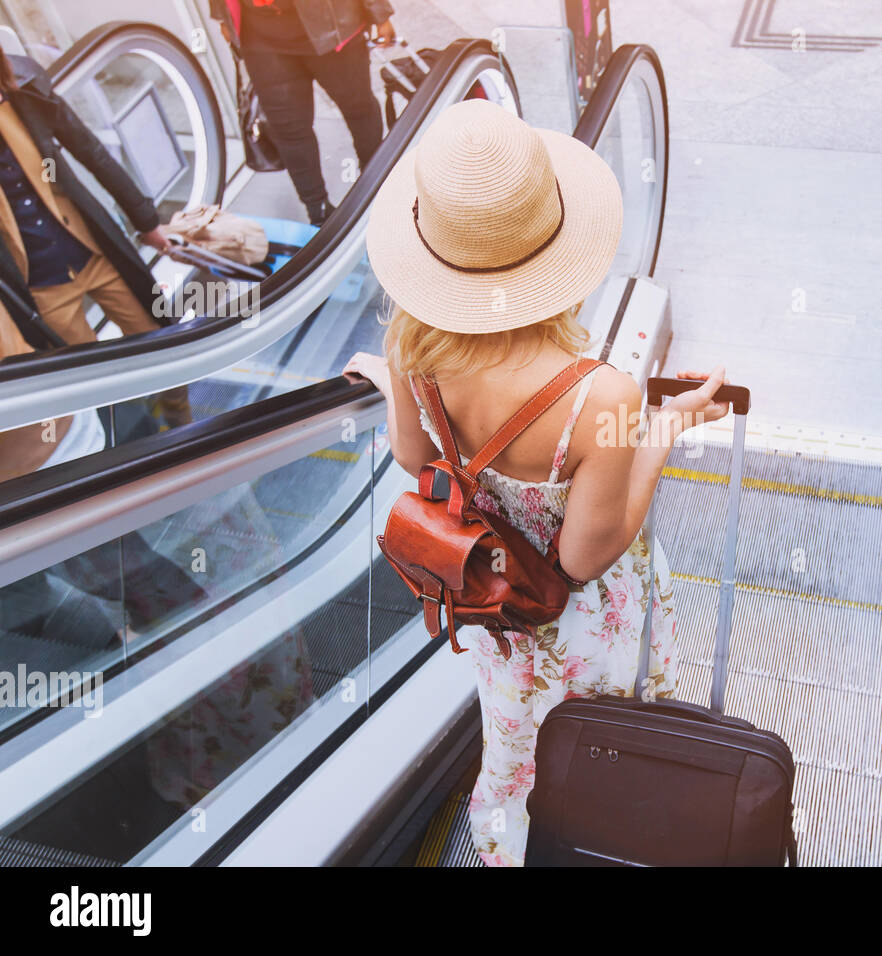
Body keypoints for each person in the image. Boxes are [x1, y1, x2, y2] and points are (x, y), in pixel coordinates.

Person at [343, 99, 728, 866]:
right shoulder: (601, 397)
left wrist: (391, 383)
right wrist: (665, 431)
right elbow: (588, 558)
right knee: (606, 744)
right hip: (585, 625)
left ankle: (514, 844)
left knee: (516, 735)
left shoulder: (415, 356)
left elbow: (417, 462)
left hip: (493, 603)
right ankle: (607, 842)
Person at [0, 47, 189, 451]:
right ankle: (134, 454)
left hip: (92, 251)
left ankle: (182, 430)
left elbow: (91, 150)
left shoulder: (25, 88)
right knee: (94, 386)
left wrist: (146, 221)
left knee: (163, 342)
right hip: (42, 288)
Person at [210, 0, 395, 226]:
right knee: (289, 129)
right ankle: (318, 211)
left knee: (358, 108)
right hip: (260, 35)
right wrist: (222, 15)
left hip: (332, 25)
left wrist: (379, 12)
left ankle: (376, 183)